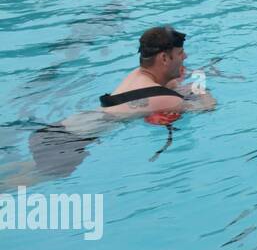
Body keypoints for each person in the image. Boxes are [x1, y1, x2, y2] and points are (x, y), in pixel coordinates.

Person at [21, 25, 216, 183]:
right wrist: (200, 89)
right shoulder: (169, 99)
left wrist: (174, 81)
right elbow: (207, 107)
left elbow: (156, 90)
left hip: (59, 130)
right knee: (20, 183)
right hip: (69, 145)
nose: (186, 57)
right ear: (164, 58)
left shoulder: (137, 75)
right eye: (181, 53)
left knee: (23, 169)